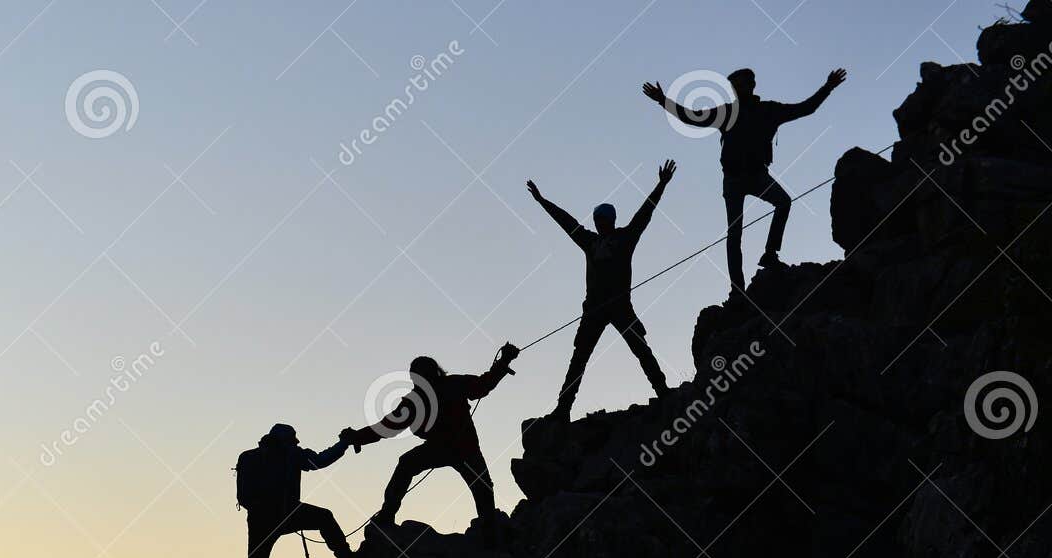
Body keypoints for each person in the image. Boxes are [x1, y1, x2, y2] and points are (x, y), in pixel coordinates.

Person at [643, 67, 847, 293]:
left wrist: (828, 87)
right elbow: (692, 116)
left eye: (740, 85)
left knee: (783, 202)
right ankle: (737, 289)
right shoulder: (728, 112)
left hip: (757, 175)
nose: (736, 90)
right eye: (734, 86)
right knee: (735, 234)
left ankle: (770, 253)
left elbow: (805, 108)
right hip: (733, 179)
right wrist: (663, 100)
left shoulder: (768, 110)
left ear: (751, 86)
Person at [528, 160, 675, 420]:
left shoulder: (622, 238)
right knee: (581, 358)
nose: (598, 224)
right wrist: (542, 201)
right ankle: (563, 408)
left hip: (618, 306)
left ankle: (662, 390)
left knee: (637, 348)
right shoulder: (591, 241)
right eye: (597, 220)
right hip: (596, 309)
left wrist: (660, 185)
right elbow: (566, 221)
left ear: (608, 220)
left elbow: (645, 213)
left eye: (601, 220)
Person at [198, 424, 363, 558]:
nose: (296, 444)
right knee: (324, 518)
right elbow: (320, 460)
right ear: (286, 441)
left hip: (262, 521)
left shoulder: (249, 457)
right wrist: (344, 443)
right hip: (285, 514)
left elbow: (243, 496)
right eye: (293, 441)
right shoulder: (291, 455)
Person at [347, 342, 521, 524]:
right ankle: (387, 515)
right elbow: (387, 427)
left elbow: (387, 427)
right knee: (480, 486)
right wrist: (503, 361)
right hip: (457, 447)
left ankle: (386, 515)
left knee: (479, 486)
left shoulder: (433, 393)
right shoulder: (441, 389)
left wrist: (503, 362)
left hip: (456, 447)